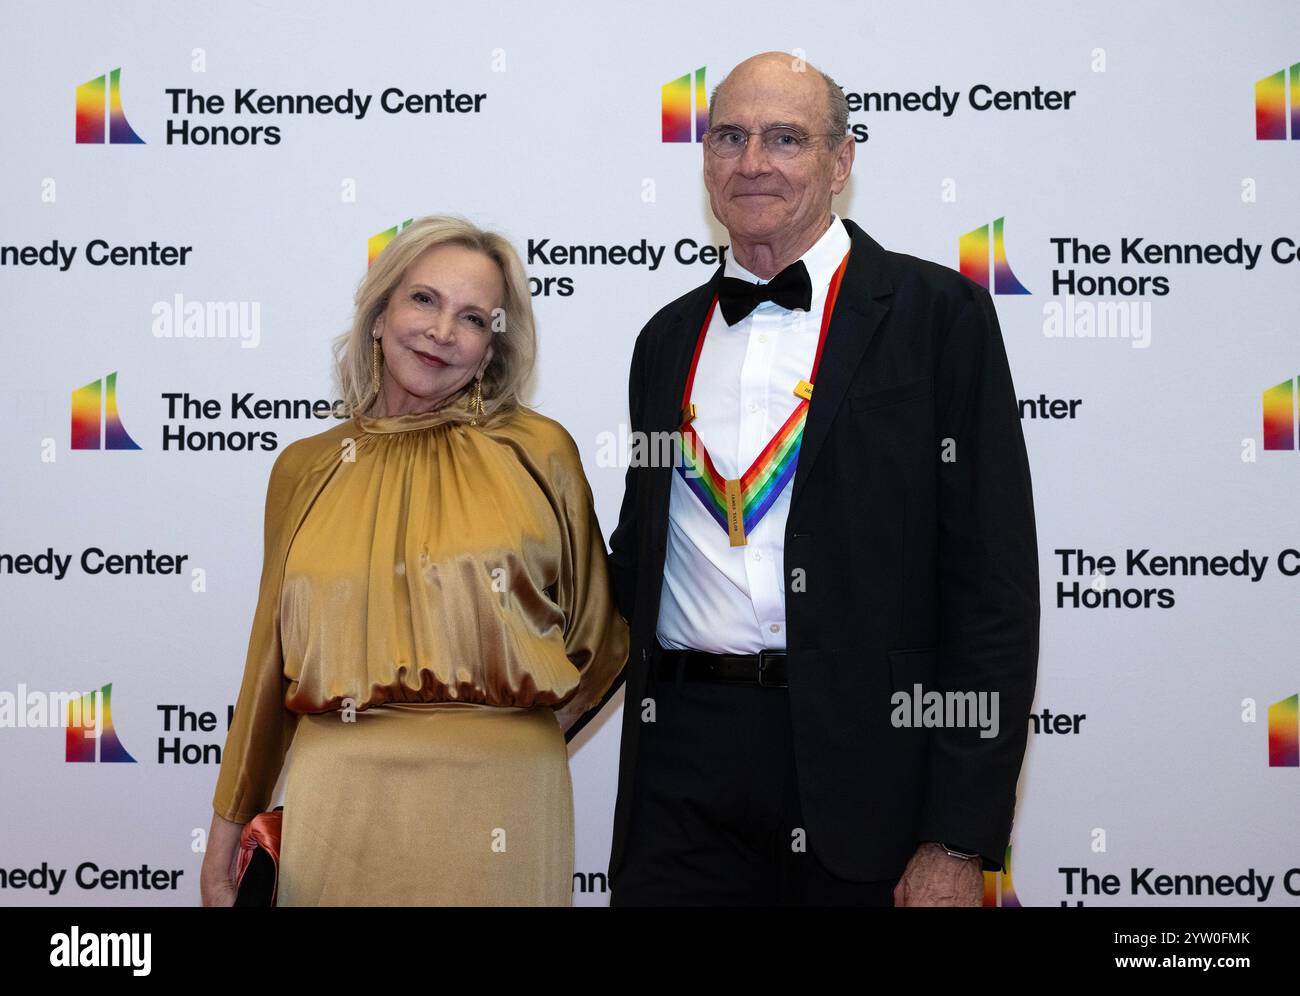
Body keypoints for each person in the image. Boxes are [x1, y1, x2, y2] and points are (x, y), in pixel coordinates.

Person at [564, 52, 1040, 906]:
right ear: (704, 159)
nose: (753, 162)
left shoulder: (939, 318)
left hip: (870, 774)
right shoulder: (664, 340)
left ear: (841, 161)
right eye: (730, 138)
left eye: (786, 138)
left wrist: (960, 839)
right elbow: (639, 553)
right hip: (682, 773)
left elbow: (993, 592)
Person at [200, 215, 628, 906]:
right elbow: (267, 666)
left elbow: (597, 638)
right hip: (338, 794)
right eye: (423, 299)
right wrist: (220, 850)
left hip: (503, 797)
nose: (440, 331)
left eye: (472, 318)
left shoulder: (539, 450)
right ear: (378, 314)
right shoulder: (304, 469)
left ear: (491, 349)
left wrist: (500, 732)